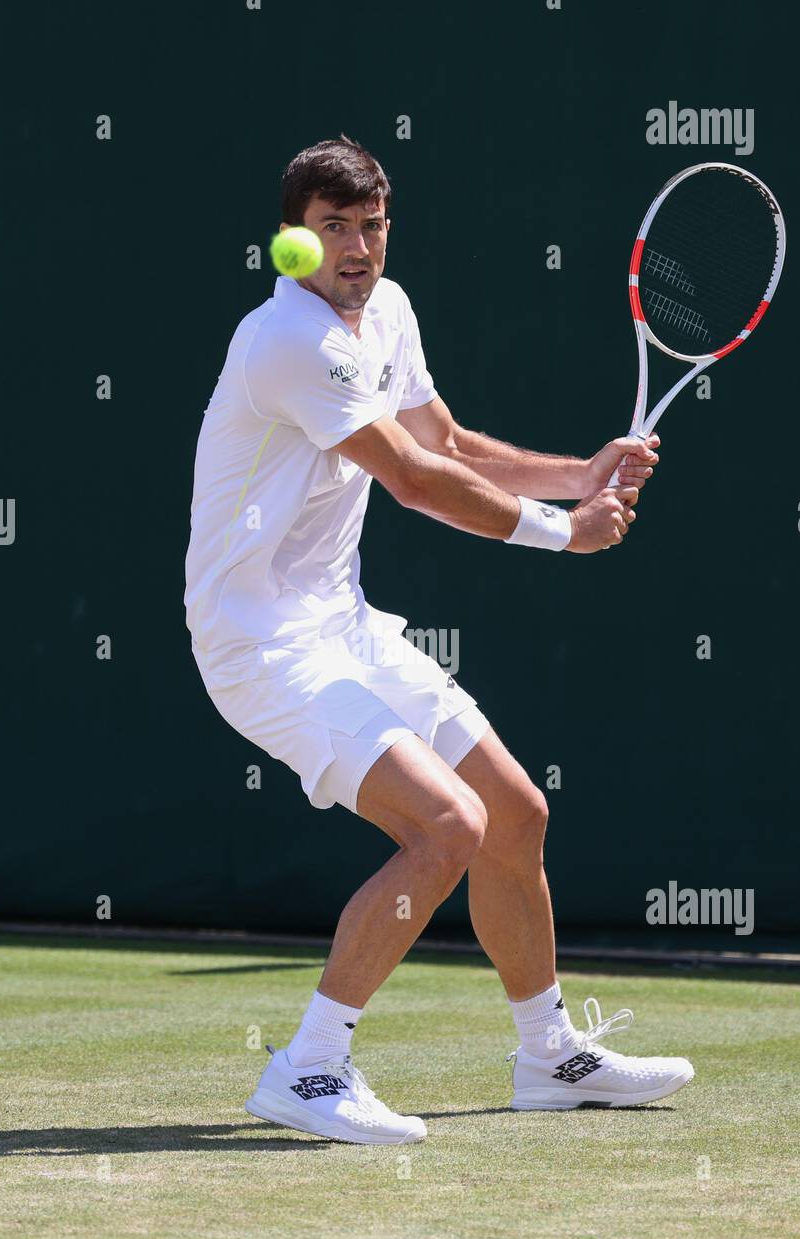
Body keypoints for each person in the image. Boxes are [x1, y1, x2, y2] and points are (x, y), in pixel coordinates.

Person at [184, 135, 693, 1145]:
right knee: (446, 825)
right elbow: (412, 482)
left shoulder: (389, 313)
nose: (358, 247)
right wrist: (564, 533)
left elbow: (448, 445)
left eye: (372, 225)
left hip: (344, 623)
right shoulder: (290, 339)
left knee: (513, 810)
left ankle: (548, 1057)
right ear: (292, 242)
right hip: (258, 645)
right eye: (334, 228)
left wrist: (574, 474)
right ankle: (310, 1066)